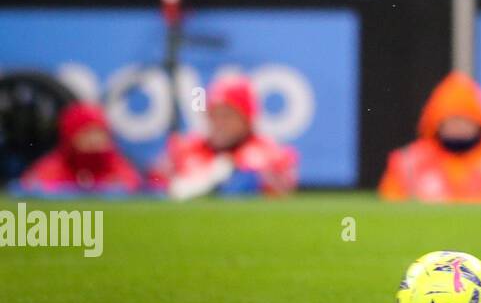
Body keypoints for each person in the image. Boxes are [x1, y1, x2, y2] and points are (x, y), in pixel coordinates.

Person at [378, 71, 481, 203]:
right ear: (436, 123)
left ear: (480, 123)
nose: (458, 128)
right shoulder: (408, 165)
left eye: (465, 121)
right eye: (451, 121)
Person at [150, 76, 298, 199]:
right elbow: (152, 189)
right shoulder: (186, 149)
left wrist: (231, 175)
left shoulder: (267, 153)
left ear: (246, 120)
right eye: (215, 114)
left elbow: (278, 190)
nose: (220, 123)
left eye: (228, 116)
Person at [17, 102, 142, 197]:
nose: (94, 140)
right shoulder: (53, 167)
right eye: (86, 133)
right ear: (71, 137)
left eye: (99, 133)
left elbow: (134, 186)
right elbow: (31, 186)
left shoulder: (118, 166)